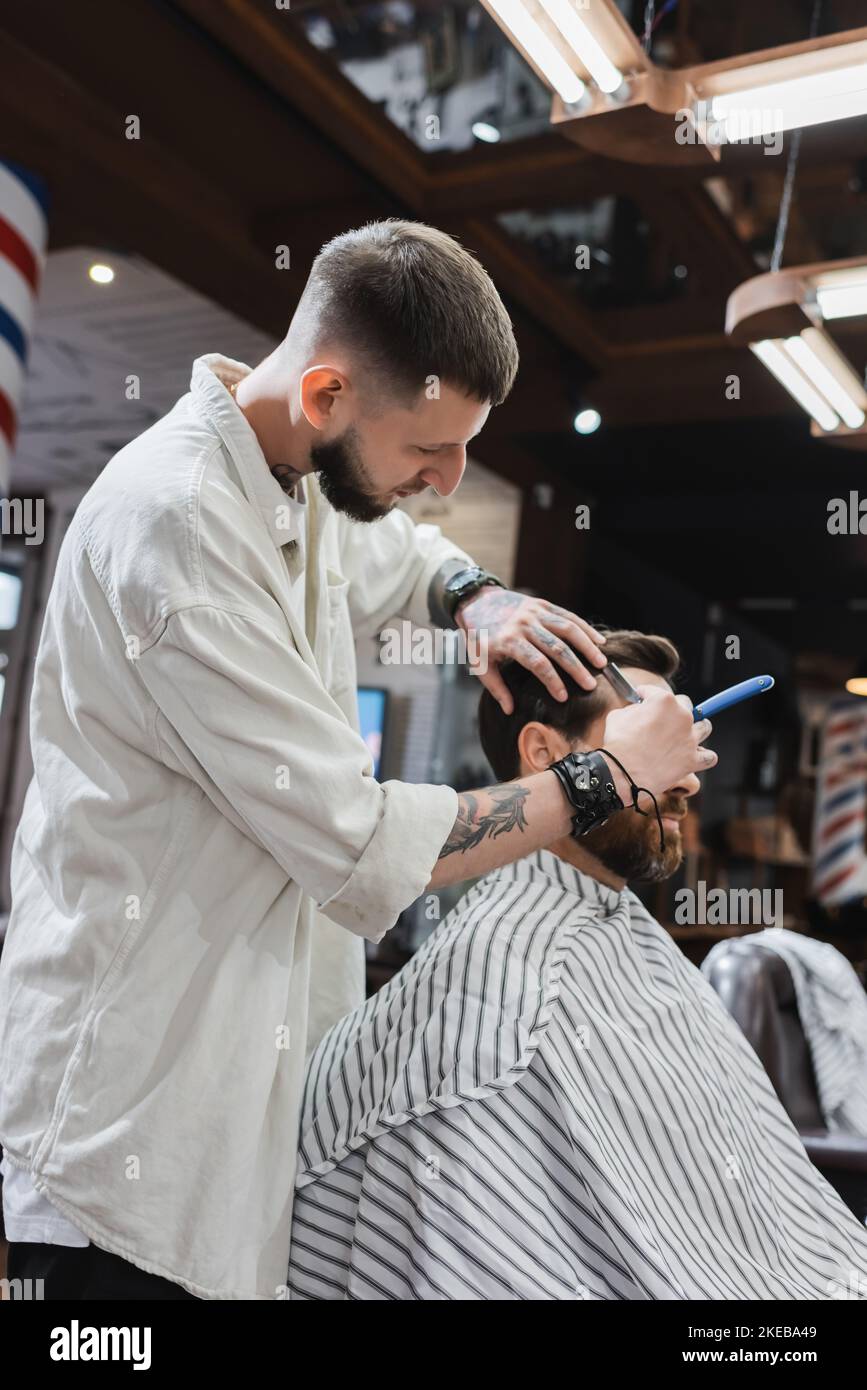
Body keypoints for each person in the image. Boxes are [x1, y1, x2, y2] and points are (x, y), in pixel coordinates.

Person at [0, 221, 713, 1300]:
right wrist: (601, 782)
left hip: (240, 1115)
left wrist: (482, 598)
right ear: (329, 394)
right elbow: (358, 843)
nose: (447, 478)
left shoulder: (301, 473)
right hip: (124, 1140)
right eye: (430, 451)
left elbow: (406, 551)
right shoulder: (180, 529)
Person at [289, 629, 867, 1301]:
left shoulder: (611, 931)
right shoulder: (500, 1002)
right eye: (650, 745)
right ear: (543, 753)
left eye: (684, 745)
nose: (684, 776)